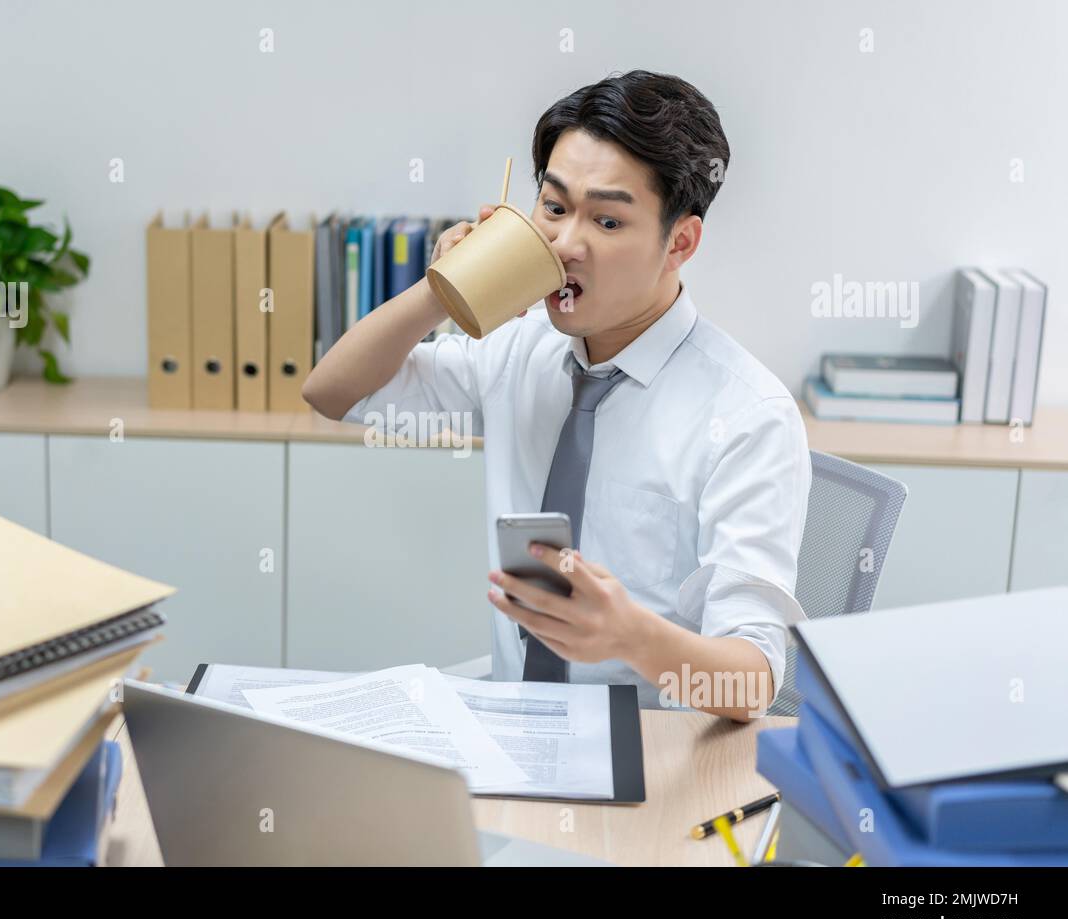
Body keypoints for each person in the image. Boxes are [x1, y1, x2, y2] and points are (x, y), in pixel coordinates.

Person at [303, 70, 809, 721]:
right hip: (514, 732)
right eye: (554, 207)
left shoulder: (747, 416)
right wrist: (445, 287)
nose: (567, 245)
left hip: (656, 759)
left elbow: (753, 684)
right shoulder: (524, 348)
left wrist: (630, 636)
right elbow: (333, 391)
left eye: (606, 219)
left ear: (679, 241)